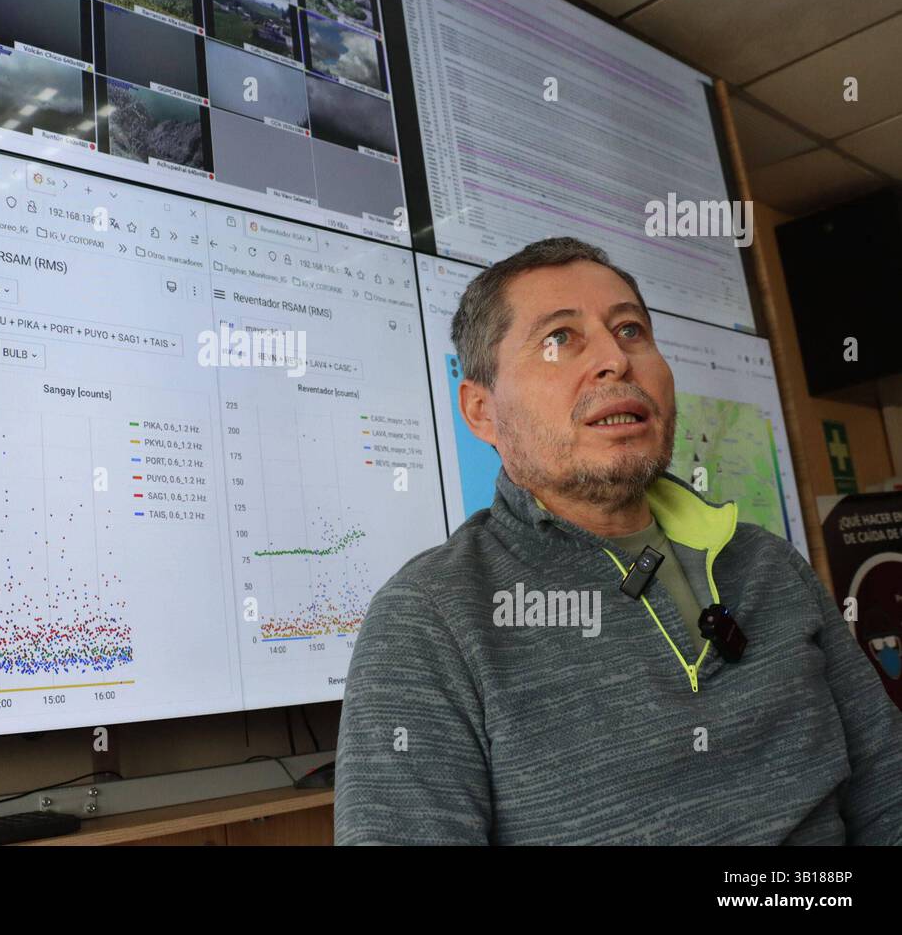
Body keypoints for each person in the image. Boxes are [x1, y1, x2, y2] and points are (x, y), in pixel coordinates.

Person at [334, 236, 902, 845]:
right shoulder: (429, 619)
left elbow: (888, 796)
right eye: (560, 339)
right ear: (481, 411)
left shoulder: (767, 563)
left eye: (630, 330)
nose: (615, 358)